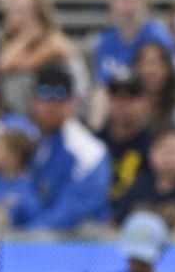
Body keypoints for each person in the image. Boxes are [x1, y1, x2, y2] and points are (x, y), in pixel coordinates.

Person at [87, 0, 175, 131]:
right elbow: (102, 82)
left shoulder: (158, 37)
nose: (128, 5)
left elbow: (163, 84)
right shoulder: (105, 40)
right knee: (100, 96)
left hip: (153, 105)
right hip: (117, 106)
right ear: (111, 1)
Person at [25, 65, 111, 230]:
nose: (51, 104)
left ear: (73, 101)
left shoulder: (90, 151)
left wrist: (25, 235)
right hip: (28, 237)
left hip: (76, 245)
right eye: (44, 94)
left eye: (60, 96)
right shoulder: (23, 138)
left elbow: (72, 210)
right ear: (33, 99)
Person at [115, 129, 175, 230]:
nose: (170, 158)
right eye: (164, 152)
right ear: (151, 155)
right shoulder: (138, 186)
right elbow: (116, 224)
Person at [96, 68, 155, 202]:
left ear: (145, 101)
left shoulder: (155, 144)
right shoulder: (93, 144)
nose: (121, 104)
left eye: (130, 97)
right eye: (115, 96)